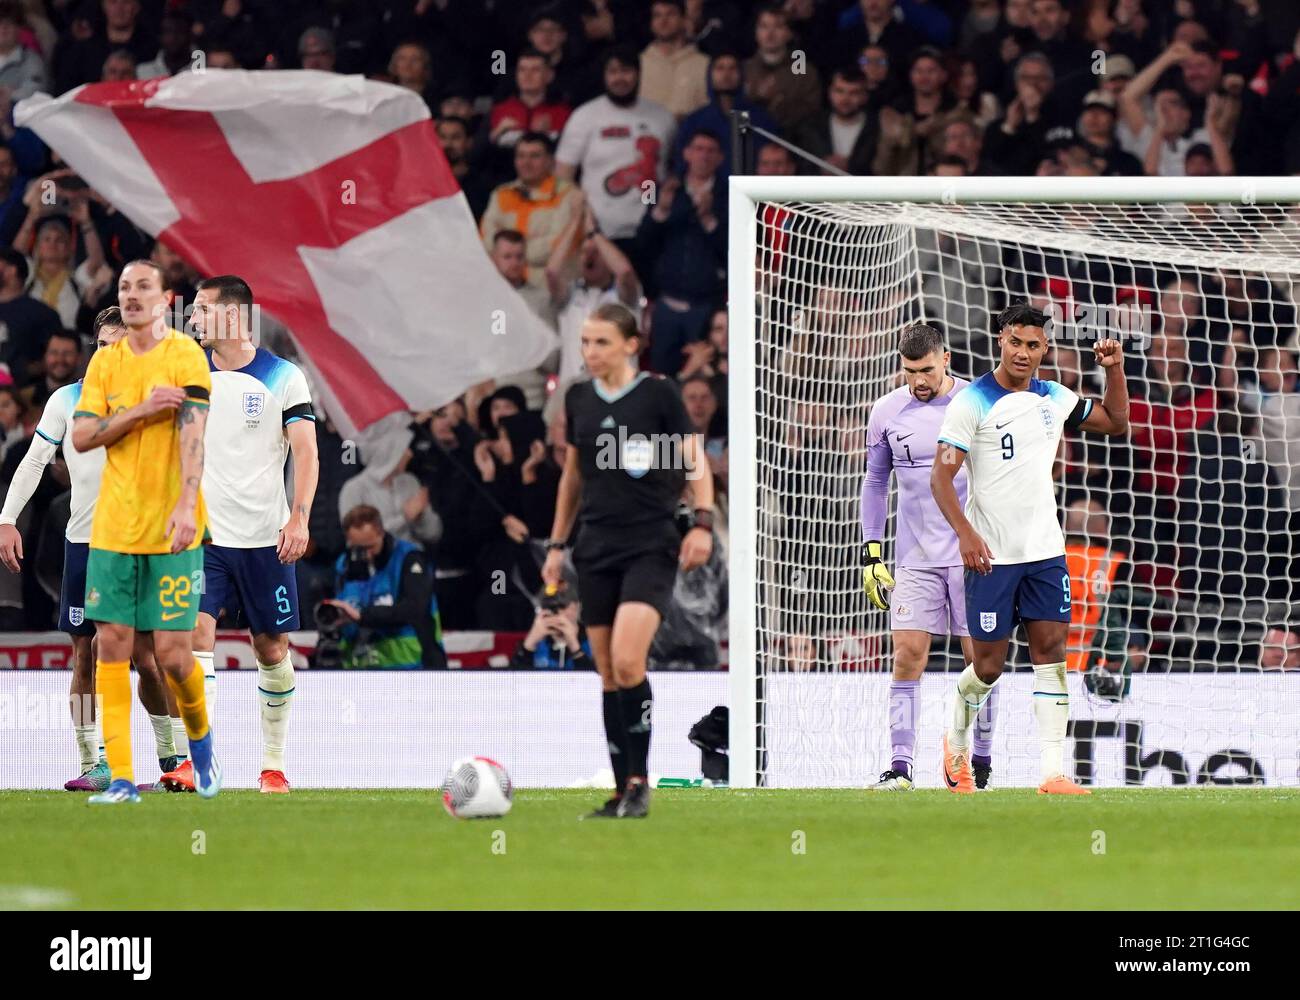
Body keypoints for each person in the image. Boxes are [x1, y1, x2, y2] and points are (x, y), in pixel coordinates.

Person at [932, 303, 1129, 795]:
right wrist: (966, 534)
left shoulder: (1055, 397)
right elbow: (940, 478)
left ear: (1045, 348)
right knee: (988, 667)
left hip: (1045, 553)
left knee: (1051, 655)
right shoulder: (971, 402)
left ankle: (1052, 772)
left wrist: (1114, 369)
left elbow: (1115, 422)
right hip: (991, 559)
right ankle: (954, 742)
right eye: (1016, 342)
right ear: (1001, 339)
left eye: (1033, 345)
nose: (1023, 352)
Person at [543, 302, 715, 818]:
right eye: (585, 342)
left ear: (630, 344)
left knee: (626, 660)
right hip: (595, 546)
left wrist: (702, 521)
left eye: (601, 342)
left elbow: (693, 458)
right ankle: (621, 789)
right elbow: (572, 477)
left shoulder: (658, 394)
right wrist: (556, 546)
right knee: (607, 672)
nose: (590, 352)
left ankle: (640, 782)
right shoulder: (578, 398)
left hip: (650, 544)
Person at [0, 306, 177, 791]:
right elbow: (35, 460)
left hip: (138, 544)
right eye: (102, 346)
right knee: (84, 654)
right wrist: (7, 519)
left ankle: (171, 758)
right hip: (83, 544)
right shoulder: (67, 400)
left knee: (145, 656)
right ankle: (93, 761)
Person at [69, 260, 219, 804]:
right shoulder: (104, 363)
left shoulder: (184, 356)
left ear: (165, 299)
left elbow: (193, 436)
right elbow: (83, 436)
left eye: (143, 286)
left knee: (173, 655)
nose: (132, 294)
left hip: (172, 524)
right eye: (125, 286)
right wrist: (140, 410)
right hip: (113, 526)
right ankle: (123, 780)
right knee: (110, 645)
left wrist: (186, 504)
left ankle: (200, 744)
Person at [164, 275, 318, 796]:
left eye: (201, 310)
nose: (192, 319)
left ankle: (273, 765)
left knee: (271, 649)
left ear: (232, 316)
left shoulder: (284, 377)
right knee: (195, 635)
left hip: (264, 538)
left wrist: (299, 517)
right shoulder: (188, 375)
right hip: (205, 537)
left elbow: (307, 453)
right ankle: (197, 762)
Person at [861, 324, 998, 791]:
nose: (918, 380)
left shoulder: (978, 402)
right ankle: (900, 767)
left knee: (980, 662)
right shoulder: (886, 411)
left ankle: (979, 756)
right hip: (915, 557)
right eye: (909, 371)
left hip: (973, 554)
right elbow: (875, 483)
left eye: (926, 370)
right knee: (907, 655)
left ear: (946, 360)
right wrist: (872, 552)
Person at [555, 45, 675, 248]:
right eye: (613, 71)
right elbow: (562, 177)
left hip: (652, 229)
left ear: (638, 73)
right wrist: (580, 220)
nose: (619, 78)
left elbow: (670, 170)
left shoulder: (663, 117)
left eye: (626, 71)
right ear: (604, 75)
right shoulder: (584, 116)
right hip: (599, 232)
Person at [322, 504, 445, 670]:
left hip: (412, 668)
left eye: (369, 547)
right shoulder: (344, 564)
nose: (365, 554)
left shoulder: (409, 559)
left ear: (381, 532)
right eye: (358, 548)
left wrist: (362, 616)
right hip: (360, 669)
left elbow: (414, 609)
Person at [639, 0, 710, 120]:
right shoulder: (639, 63)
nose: (663, 20)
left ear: (684, 20)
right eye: (657, 15)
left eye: (670, 14)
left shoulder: (705, 64)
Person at [510, 584, 593, 670]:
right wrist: (529, 644)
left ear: (577, 606)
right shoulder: (536, 644)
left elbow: (596, 676)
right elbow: (514, 676)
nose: (557, 613)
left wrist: (575, 647)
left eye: (562, 606)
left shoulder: (592, 641)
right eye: (550, 607)